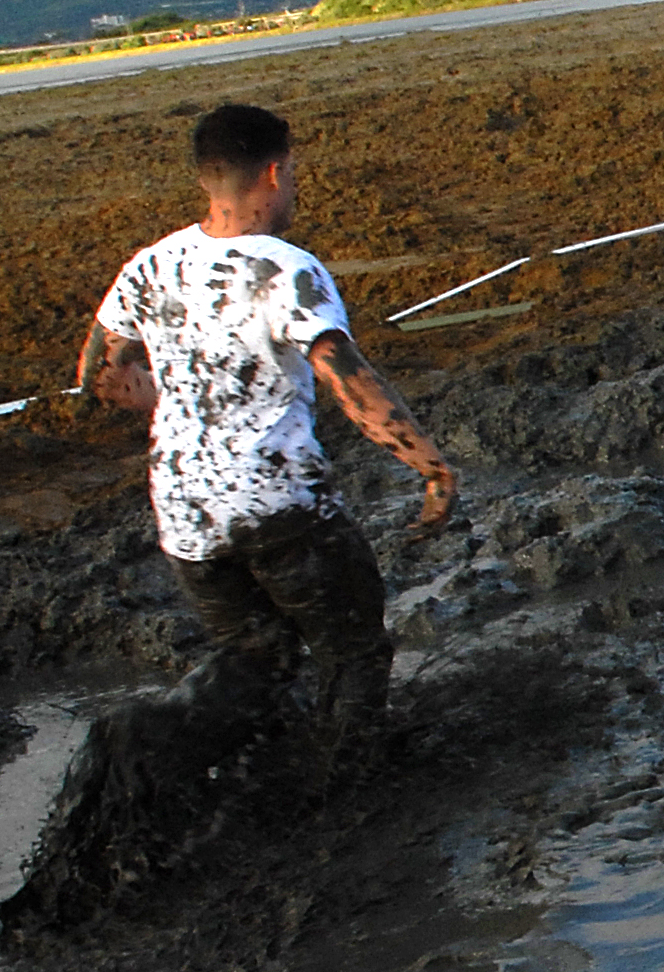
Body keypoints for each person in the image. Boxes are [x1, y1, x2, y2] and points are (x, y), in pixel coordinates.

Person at [78, 103, 454, 779]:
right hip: (278, 502)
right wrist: (429, 466)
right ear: (275, 173)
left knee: (260, 655)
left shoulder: (151, 264)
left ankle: (163, 743)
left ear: (206, 178)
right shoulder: (285, 268)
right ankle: (349, 788)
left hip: (184, 510)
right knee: (352, 650)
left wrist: (162, 396)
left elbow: (96, 372)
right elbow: (346, 378)